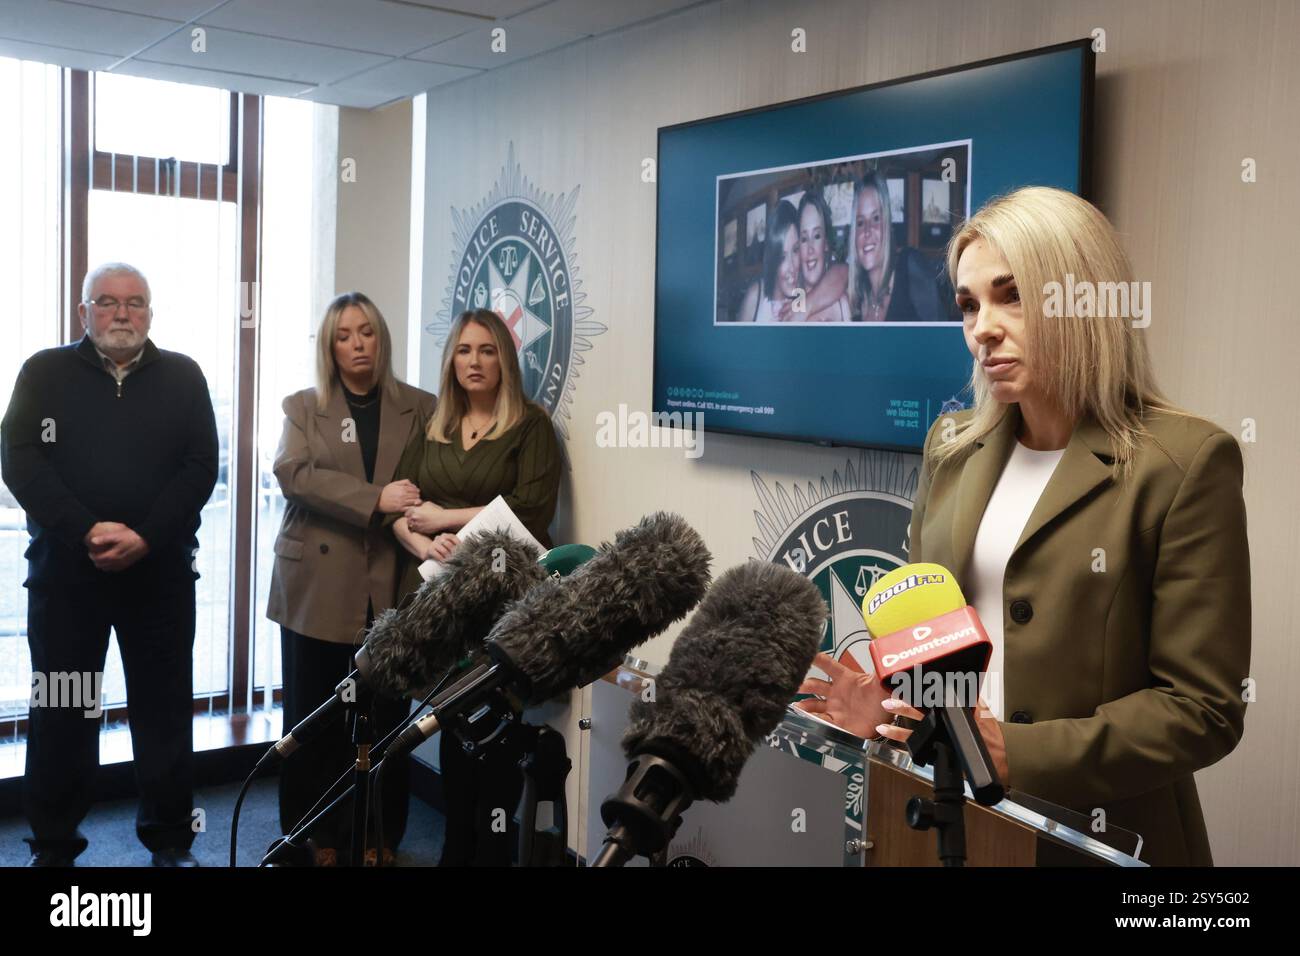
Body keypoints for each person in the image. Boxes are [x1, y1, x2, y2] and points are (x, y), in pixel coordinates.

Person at [798, 187, 1250, 866]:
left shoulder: (1185, 462)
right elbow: (940, 658)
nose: (983, 326)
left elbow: (1203, 710)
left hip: (1100, 840)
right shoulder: (951, 447)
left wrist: (1013, 752)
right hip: (943, 824)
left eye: (1012, 296)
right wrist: (895, 716)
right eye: (969, 304)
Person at [1, 262, 218, 867]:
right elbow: (21, 460)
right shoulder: (43, 374)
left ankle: (171, 841)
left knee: (164, 712)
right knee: (63, 709)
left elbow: (200, 466)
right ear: (83, 312)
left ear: (150, 312)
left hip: (160, 579)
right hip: (67, 579)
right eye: (107, 302)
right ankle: (54, 843)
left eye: (135, 303)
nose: (122, 313)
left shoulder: (183, 376)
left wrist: (146, 536)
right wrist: (86, 529)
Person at [266, 291, 434, 867]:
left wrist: (402, 511)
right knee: (314, 716)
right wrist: (373, 498)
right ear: (329, 345)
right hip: (316, 580)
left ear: (381, 339)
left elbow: (419, 487)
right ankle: (311, 836)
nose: (357, 344)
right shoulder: (302, 405)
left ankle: (377, 835)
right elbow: (293, 473)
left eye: (366, 332)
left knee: (385, 716)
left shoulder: (423, 406)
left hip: (389, 575)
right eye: (344, 335)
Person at [390, 308, 561, 866]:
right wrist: (424, 544)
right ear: (451, 361)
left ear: (505, 359)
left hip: (502, 603)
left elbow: (532, 514)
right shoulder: (434, 426)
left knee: (496, 738)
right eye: (464, 350)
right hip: (444, 601)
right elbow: (399, 506)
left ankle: (486, 855)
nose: (475, 361)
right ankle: (452, 853)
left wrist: (445, 520)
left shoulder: (530, 426)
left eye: (487, 350)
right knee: (451, 729)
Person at [847, 171, 953, 322]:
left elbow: (942, 339)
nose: (867, 231)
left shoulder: (910, 266)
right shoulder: (856, 299)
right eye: (860, 222)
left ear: (888, 224)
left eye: (876, 218)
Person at [774, 191, 850, 322]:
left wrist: (806, 306)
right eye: (804, 239)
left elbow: (844, 271)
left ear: (825, 243)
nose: (810, 249)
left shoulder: (841, 303)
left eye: (817, 236)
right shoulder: (786, 305)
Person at [738, 200, 801, 323]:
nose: (792, 267)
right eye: (782, 257)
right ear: (772, 260)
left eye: (795, 250)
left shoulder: (803, 296)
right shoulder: (755, 297)